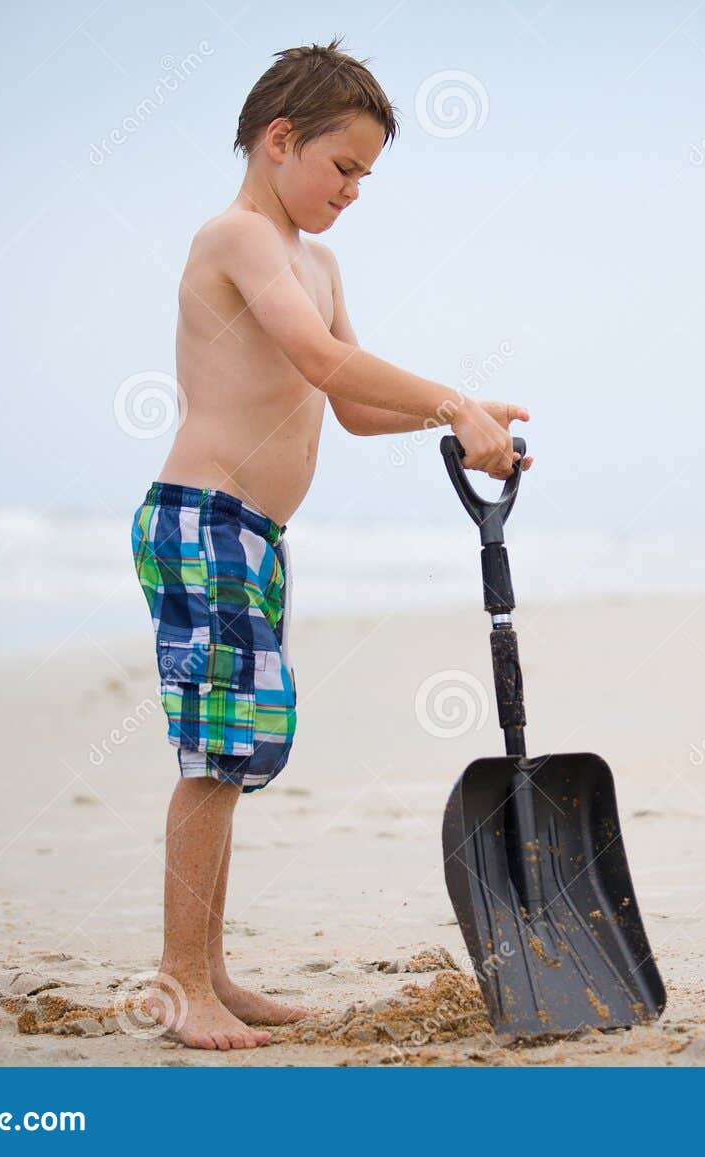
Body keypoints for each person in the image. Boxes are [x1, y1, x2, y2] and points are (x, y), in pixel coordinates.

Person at [128, 39, 530, 1050]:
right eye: (342, 166)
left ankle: (211, 966)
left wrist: (458, 416)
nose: (353, 190)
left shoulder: (320, 261)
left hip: (255, 533)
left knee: (244, 742)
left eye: (366, 175)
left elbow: (345, 398)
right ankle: (180, 979)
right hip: (202, 517)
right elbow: (317, 353)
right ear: (278, 140)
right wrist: (446, 395)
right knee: (214, 754)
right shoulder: (236, 238)